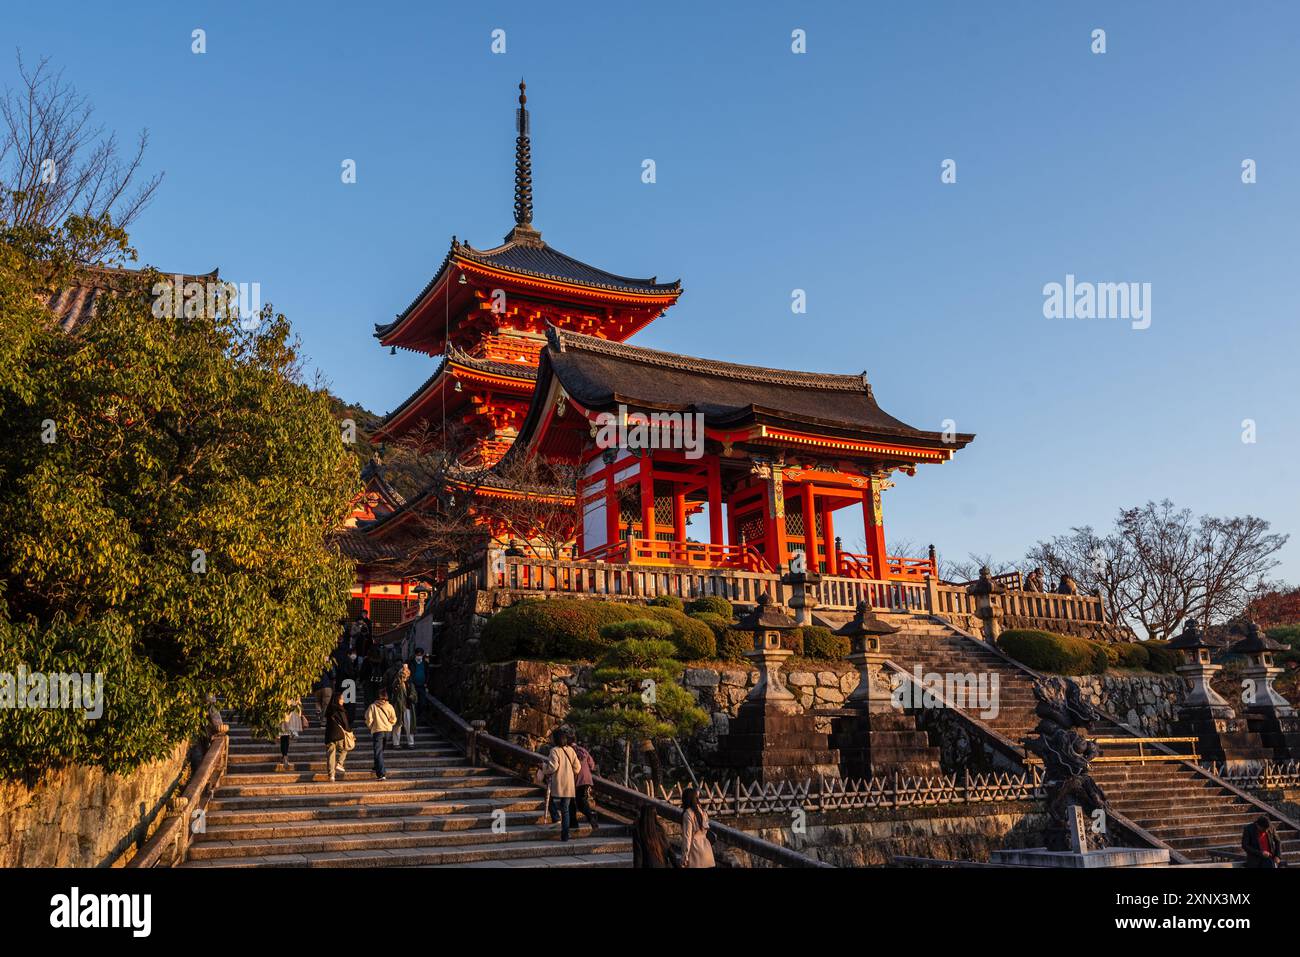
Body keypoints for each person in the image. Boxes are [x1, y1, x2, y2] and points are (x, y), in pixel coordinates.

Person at [543, 729, 581, 842]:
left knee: (548, 799)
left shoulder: (554, 750)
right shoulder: (571, 750)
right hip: (569, 784)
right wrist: (570, 772)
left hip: (559, 783)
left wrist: (544, 767)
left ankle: (556, 819)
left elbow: (552, 767)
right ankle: (565, 835)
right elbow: (578, 767)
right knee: (565, 810)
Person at [567, 735, 600, 834]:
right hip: (586, 779)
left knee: (573, 801)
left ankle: (586, 818)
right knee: (581, 799)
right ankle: (589, 817)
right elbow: (592, 765)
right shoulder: (583, 750)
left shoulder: (569, 751)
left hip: (575, 779)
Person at [364, 687, 397, 780]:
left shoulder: (373, 706)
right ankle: (376, 765)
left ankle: (381, 774)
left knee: (378, 752)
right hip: (388, 731)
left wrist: (371, 727)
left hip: (378, 731)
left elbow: (368, 719)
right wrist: (389, 724)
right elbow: (394, 719)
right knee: (381, 751)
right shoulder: (390, 706)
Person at [679, 787, 715, 868]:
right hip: (706, 850)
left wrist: (684, 858)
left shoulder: (688, 814)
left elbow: (687, 838)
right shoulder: (702, 811)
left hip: (695, 852)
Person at [387, 663, 417, 749]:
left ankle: (411, 742)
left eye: (406, 675)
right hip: (398, 707)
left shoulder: (410, 684)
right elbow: (394, 692)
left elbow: (414, 693)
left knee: (409, 725)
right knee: (397, 725)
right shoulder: (396, 683)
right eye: (403, 675)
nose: (405, 677)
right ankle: (396, 743)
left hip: (408, 706)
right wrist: (399, 681)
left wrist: (411, 697)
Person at [323, 693, 352, 782]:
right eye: (342, 699)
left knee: (331, 755)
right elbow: (345, 723)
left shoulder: (329, 710)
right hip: (339, 735)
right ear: (337, 700)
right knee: (345, 748)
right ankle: (339, 763)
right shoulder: (340, 709)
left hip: (329, 735)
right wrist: (350, 732)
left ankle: (331, 775)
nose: (343, 701)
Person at [277, 701, 308, 772]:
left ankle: (284, 756)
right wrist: (299, 715)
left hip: (283, 714)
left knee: (284, 736)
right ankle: (285, 756)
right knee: (286, 736)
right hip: (290, 715)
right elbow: (298, 703)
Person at [408, 648, 430, 726]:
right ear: (415, 655)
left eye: (420, 654)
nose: (419, 656)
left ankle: (421, 719)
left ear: (422, 655)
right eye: (418, 654)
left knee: (423, 702)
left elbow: (427, 674)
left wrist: (426, 683)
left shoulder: (425, 663)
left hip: (422, 686)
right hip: (413, 686)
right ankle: (414, 719)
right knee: (414, 702)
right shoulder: (411, 663)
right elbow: (409, 674)